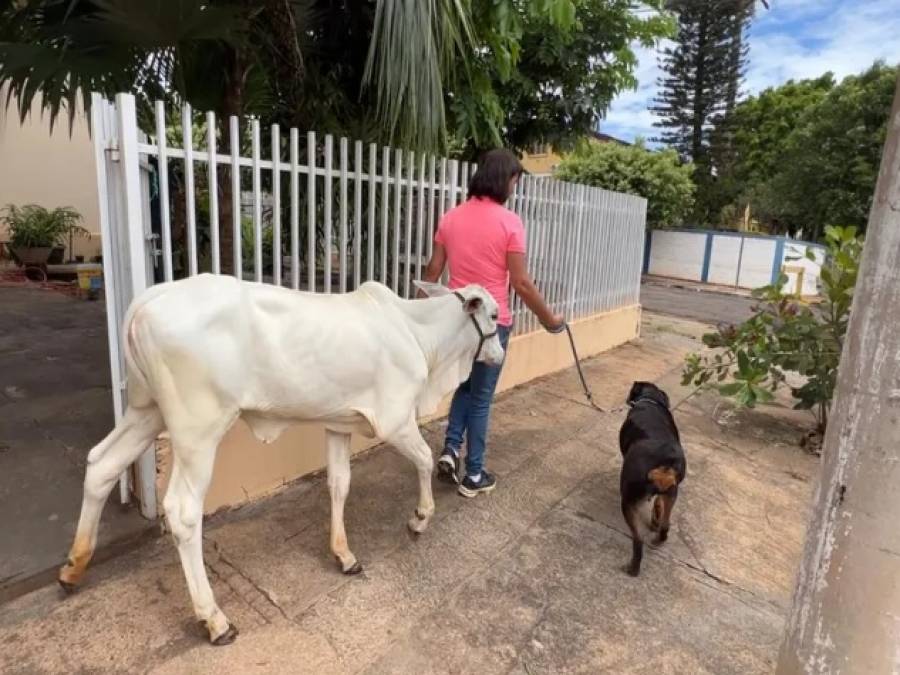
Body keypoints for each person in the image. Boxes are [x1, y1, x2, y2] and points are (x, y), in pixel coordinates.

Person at [420, 149, 564, 498]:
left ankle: (451, 450)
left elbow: (433, 271)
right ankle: (474, 474)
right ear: (506, 179)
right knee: (481, 397)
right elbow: (521, 283)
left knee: (463, 388)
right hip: (489, 325)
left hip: (455, 321)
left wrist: (425, 317)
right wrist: (550, 320)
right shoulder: (510, 222)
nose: (516, 186)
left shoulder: (451, 217)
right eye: (515, 179)